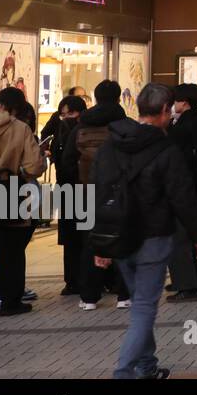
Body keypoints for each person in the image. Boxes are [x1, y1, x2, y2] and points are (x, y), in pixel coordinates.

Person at [91, 83, 197, 379]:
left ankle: (147, 367)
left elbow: (96, 195)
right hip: (153, 238)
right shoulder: (165, 148)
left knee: (140, 307)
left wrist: (101, 246)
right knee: (143, 308)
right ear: (164, 111)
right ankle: (124, 372)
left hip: (119, 238)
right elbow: (182, 196)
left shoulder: (110, 146)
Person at [56, 80, 131, 310]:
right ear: (119, 98)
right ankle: (123, 294)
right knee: (122, 241)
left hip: (86, 192)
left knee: (90, 244)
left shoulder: (81, 128)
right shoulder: (125, 125)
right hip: (119, 194)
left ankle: (89, 297)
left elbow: (67, 163)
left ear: (96, 99)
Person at [0, 87, 45, 316]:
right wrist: (22, 168)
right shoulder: (20, 129)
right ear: (16, 108)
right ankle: (11, 302)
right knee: (11, 250)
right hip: (10, 191)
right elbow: (34, 166)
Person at [167, 83, 197, 301]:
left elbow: (175, 158)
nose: (172, 105)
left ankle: (187, 286)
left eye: (175, 101)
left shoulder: (183, 126)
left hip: (186, 189)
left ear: (184, 102)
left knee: (181, 238)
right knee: (196, 233)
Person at [51, 94, 87, 296]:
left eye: (71, 113)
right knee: (70, 238)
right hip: (65, 190)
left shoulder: (85, 132)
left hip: (83, 189)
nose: (66, 117)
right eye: (63, 114)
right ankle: (72, 280)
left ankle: (86, 279)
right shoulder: (59, 132)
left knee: (84, 236)